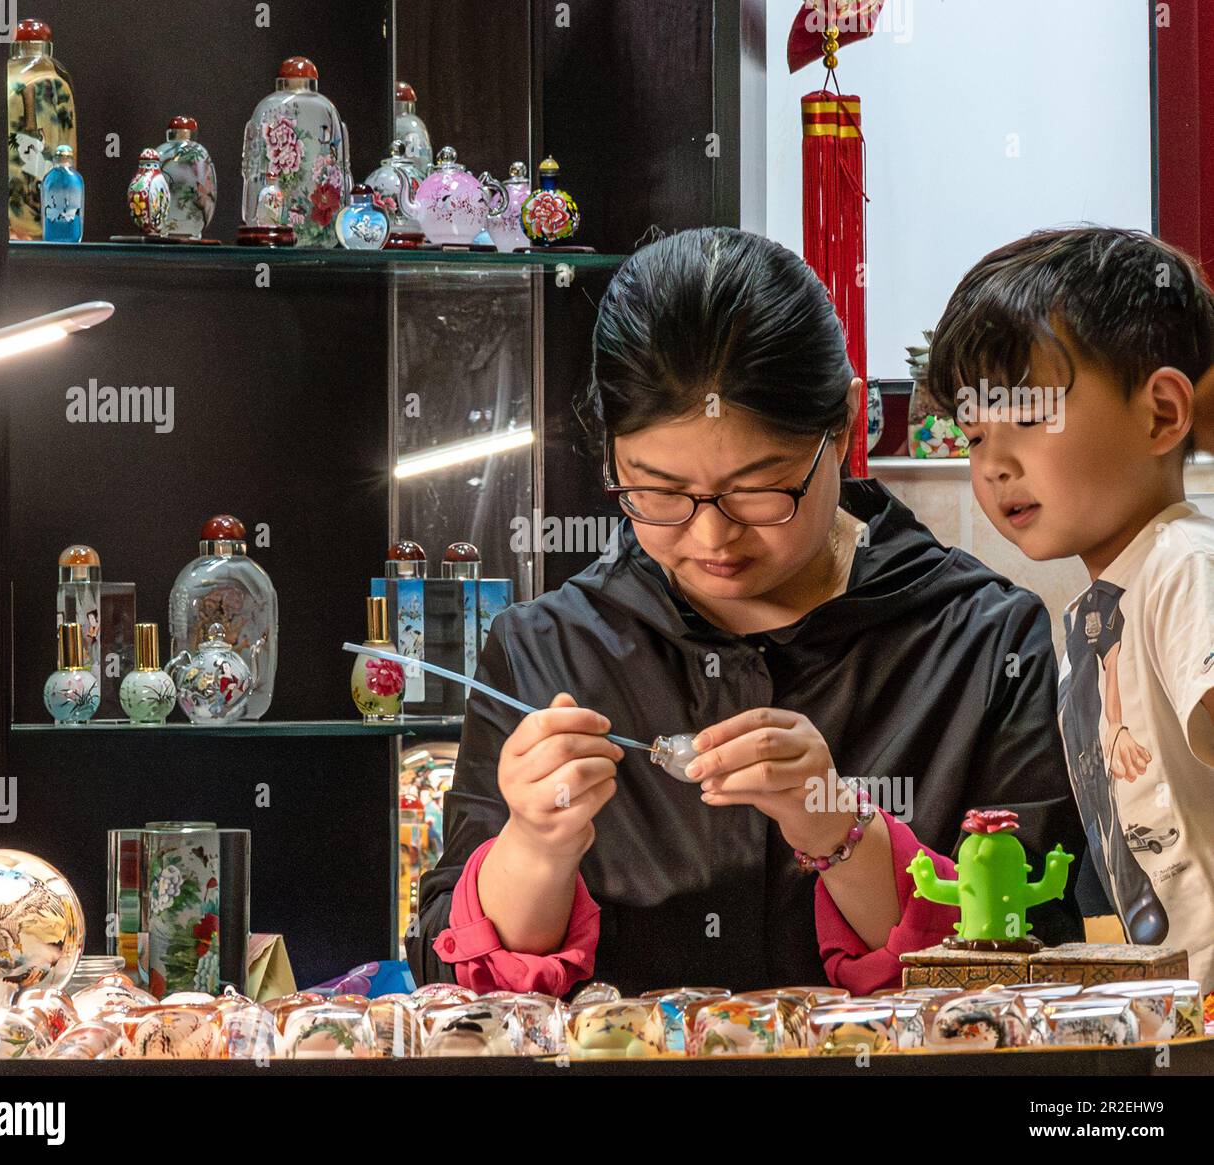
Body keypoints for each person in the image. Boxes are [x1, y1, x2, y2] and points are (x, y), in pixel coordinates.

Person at [407, 227, 1085, 998]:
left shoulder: (984, 641)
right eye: (658, 492)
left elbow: (1035, 969)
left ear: (846, 427)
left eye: (759, 489)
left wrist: (843, 830)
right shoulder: (545, 649)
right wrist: (534, 847)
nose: (711, 535)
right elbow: (449, 979)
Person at [928, 225, 1214, 991]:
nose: (993, 464)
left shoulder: (1185, 568)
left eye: (1025, 416)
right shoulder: (1092, 613)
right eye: (975, 432)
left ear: (1160, 414)